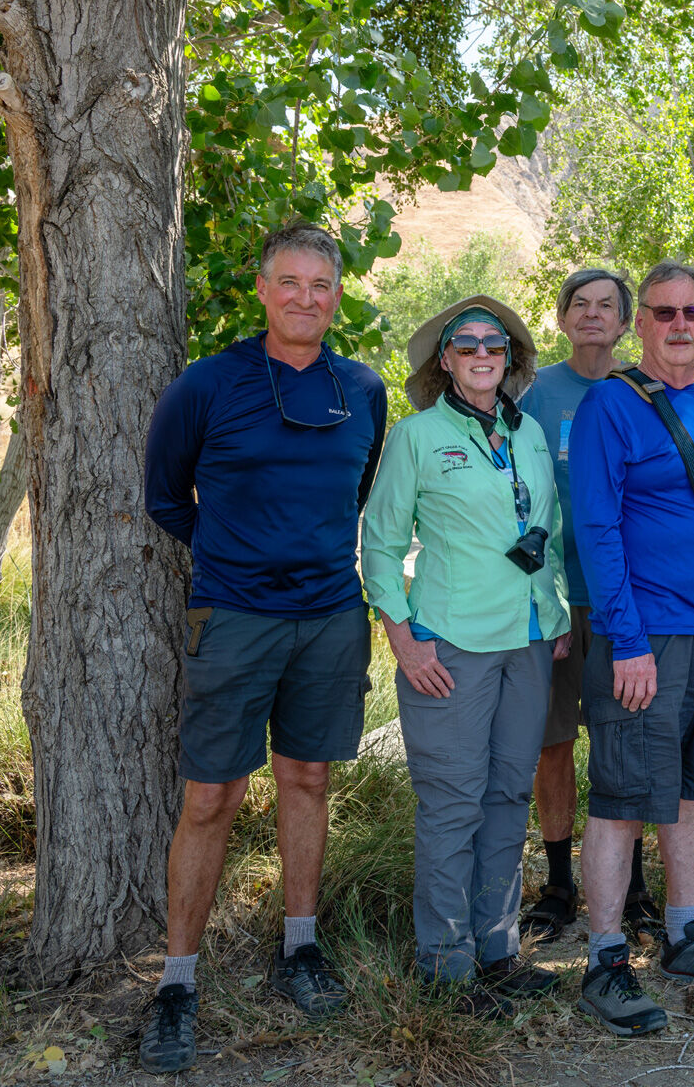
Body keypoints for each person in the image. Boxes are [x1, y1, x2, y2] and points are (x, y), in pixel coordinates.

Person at [140, 223, 387, 1074]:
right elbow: (166, 497)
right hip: (235, 618)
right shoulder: (208, 384)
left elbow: (356, 492)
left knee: (309, 778)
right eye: (290, 282)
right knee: (211, 795)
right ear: (262, 289)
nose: (304, 298)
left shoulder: (362, 389)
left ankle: (300, 946)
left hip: (332, 616)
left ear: (337, 297)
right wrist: (236, 558)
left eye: (320, 285)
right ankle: (177, 983)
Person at [570, 261, 694, 1036]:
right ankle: (605, 961)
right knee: (624, 799)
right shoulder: (609, 405)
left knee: (690, 792)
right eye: (664, 312)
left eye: (692, 311)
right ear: (640, 324)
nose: (680, 324)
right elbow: (596, 527)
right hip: (643, 641)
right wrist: (626, 640)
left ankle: (686, 937)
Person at [361, 295, 570, 1014]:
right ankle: (445, 970)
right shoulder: (417, 436)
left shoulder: (529, 433)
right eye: (467, 344)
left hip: (528, 642)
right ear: (445, 360)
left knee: (509, 796)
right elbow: (381, 544)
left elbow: (547, 530)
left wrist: (554, 609)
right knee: (453, 805)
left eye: (495, 344)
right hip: (449, 646)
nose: (483, 353)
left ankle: (498, 951)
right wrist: (403, 637)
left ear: (511, 359)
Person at [514, 268, 660, 943]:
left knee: (624, 743)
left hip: (625, 600)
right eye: (580, 304)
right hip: (553, 598)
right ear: (563, 318)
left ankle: (633, 885)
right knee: (553, 744)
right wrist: (536, 594)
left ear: (627, 322)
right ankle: (559, 883)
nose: (593, 314)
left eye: (607, 305)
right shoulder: (532, 393)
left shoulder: (644, 393)